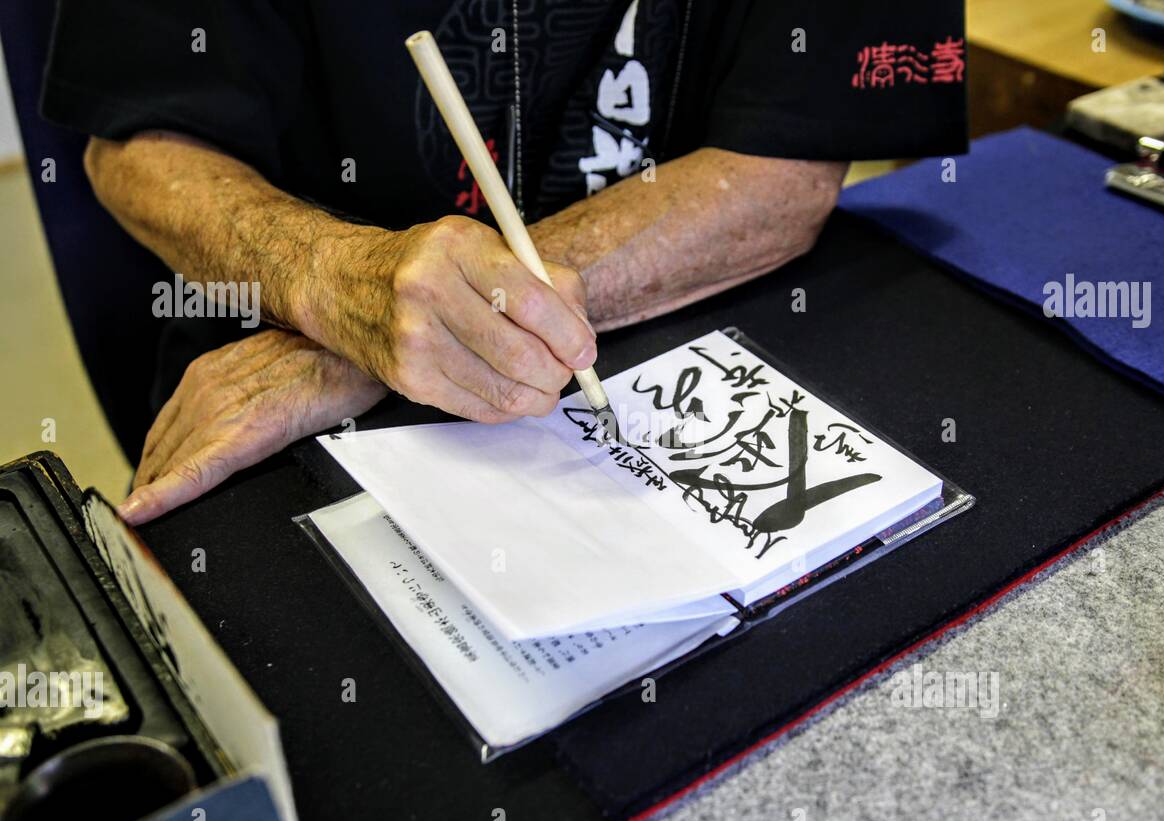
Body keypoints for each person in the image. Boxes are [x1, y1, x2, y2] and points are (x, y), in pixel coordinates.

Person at [41, 0, 967, 523]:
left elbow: (786, 168)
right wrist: (336, 283)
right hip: (286, 347)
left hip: (673, 326)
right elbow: (136, 144)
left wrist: (451, 314)